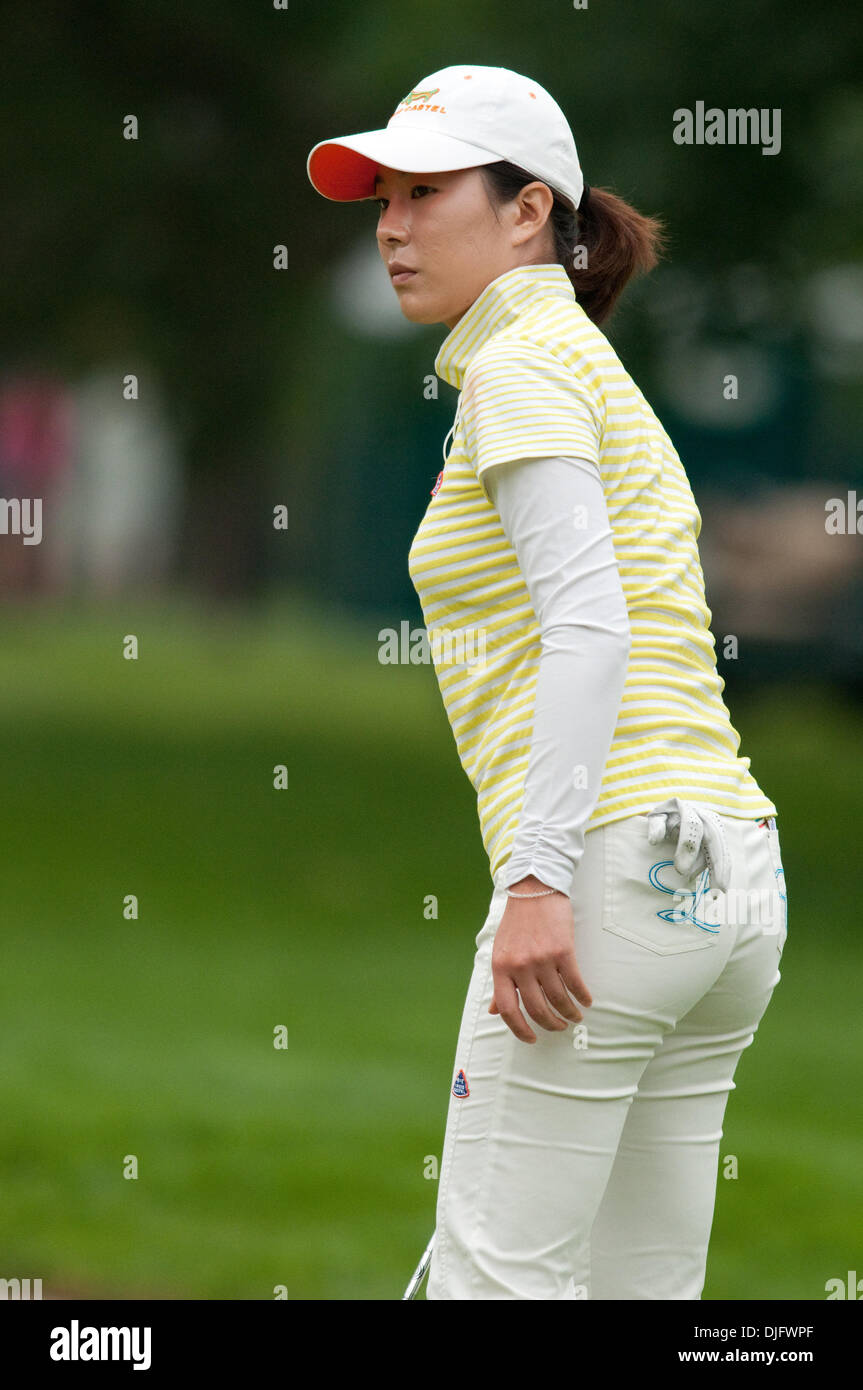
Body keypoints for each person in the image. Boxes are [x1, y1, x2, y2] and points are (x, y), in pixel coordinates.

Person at [306, 64, 788, 1301]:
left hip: (611, 874)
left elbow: (590, 629)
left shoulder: (523, 366)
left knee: (492, 1284)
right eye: (382, 200)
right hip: (726, 870)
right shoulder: (577, 360)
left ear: (528, 213)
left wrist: (535, 875)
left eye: (424, 192)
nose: (392, 228)